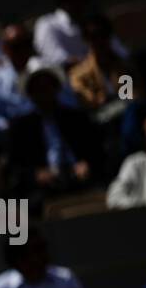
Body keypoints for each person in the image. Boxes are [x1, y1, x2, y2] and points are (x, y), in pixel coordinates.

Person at [7, 58, 105, 195]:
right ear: (30, 93)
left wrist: (86, 164)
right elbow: (14, 167)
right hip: (44, 188)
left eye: (47, 87)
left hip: (79, 179)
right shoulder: (21, 126)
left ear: (56, 88)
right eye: (38, 89)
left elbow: (97, 152)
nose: (44, 93)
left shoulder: (77, 118)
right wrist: (36, 174)